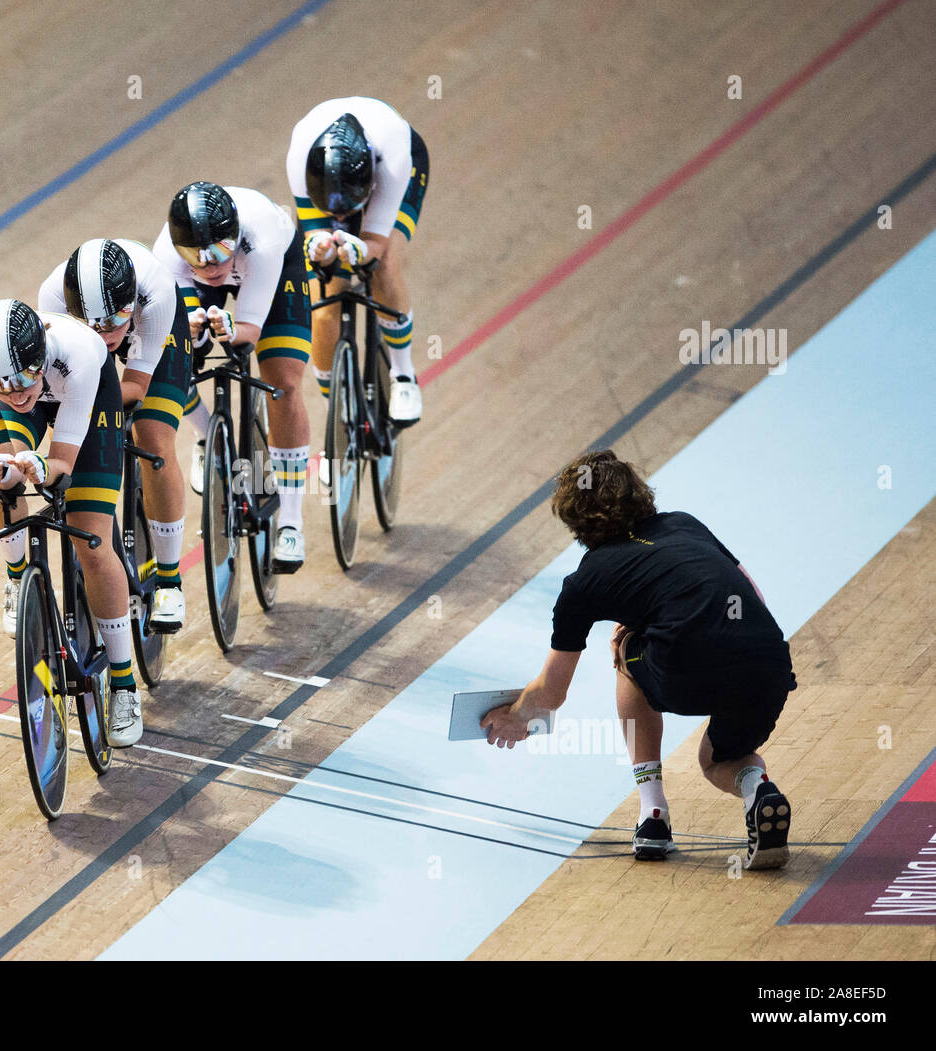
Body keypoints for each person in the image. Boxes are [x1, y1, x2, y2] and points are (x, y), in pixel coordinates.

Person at [481, 450, 797, 870]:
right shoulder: (685, 523)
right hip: (768, 663)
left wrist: (516, 716)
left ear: (576, 521)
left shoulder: (583, 582)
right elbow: (752, 592)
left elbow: (551, 694)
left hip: (690, 669)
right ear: (637, 492)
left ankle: (653, 815)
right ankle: (758, 789)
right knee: (719, 760)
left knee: (623, 647)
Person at [0, 298, 143, 747]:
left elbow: (61, 462)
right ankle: (17, 578)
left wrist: (44, 466)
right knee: (5, 480)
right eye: (0, 385)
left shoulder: (76, 353)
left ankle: (123, 685)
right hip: (34, 418)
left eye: (22, 378)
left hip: (89, 405)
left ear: (40, 359)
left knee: (91, 539)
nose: (15, 393)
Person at [153, 181, 312, 572]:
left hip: (273, 272)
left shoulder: (262, 240)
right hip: (201, 290)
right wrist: (195, 331)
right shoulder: (168, 256)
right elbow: (180, 331)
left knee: (283, 384)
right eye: (196, 256)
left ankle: (291, 522)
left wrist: (228, 326)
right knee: (171, 360)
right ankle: (207, 433)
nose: (209, 265)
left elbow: (249, 332)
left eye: (219, 252)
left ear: (235, 237)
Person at [39, 237, 191, 632]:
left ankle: (170, 581)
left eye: (111, 323)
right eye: (91, 323)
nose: (102, 334)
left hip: (149, 334)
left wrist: (90, 409)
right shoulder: (53, 299)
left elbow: (136, 389)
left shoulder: (154, 292)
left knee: (153, 436)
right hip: (85, 360)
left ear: (130, 305)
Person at [286, 96, 429, 426]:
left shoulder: (392, 159)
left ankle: (404, 375)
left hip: (401, 172)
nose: (340, 216)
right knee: (323, 303)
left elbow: (375, 243)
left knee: (384, 267)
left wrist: (362, 252)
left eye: (347, 210)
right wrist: (321, 249)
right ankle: (335, 409)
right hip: (332, 181)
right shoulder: (299, 158)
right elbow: (313, 235)